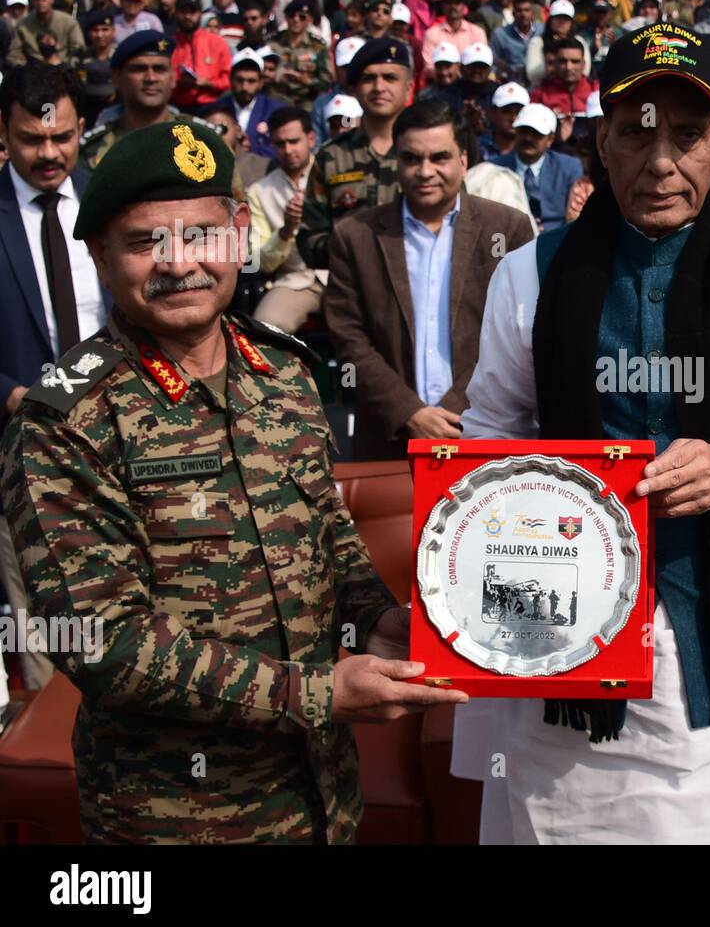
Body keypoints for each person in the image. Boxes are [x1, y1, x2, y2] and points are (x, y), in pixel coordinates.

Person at [452, 21, 710, 845]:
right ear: (600, 140)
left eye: (686, 135)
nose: (660, 162)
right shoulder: (529, 277)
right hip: (566, 671)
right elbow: (486, 445)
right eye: (636, 134)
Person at [0, 120, 467, 843]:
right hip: (176, 819)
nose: (178, 263)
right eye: (144, 241)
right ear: (97, 255)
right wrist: (318, 691)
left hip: (322, 801)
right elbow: (103, 641)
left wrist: (377, 620)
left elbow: (328, 536)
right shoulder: (65, 421)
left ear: (240, 233)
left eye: (201, 235)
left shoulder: (282, 372)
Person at [324, 100, 533, 462]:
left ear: (464, 160)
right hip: (391, 443)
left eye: (439, 157)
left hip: (487, 439)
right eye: (411, 158)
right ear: (396, 161)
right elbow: (348, 337)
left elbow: (517, 333)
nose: (425, 171)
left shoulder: (508, 229)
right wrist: (409, 413)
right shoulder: (353, 235)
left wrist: (456, 411)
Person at [0, 62, 105, 690]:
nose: (49, 153)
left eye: (62, 138)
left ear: (81, 129)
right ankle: (50, 767)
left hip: (115, 446)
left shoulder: (107, 205)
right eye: (32, 139)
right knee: (38, 634)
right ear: (3, 134)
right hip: (18, 456)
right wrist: (9, 392)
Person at [298, 38, 411, 270]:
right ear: (354, 88)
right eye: (369, 79)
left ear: (408, 87)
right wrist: (357, 251)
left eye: (390, 78)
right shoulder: (331, 157)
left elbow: (455, 226)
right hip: (349, 286)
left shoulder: (430, 153)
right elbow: (310, 240)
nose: (379, 87)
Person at [247, 106, 322, 334]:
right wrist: (286, 231)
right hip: (296, 280)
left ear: (311, 138)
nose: (288, 150)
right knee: (265, 328)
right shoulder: (260, 191)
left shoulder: (332, 172)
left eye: (294, 141)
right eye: (280, 144)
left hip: (345, 277)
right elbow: (260, 261)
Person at [79, 29, 201, 169]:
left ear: (173, 78)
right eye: (139, 69)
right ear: (117, 78)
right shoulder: (92, 150)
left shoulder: (202, 139)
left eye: (159, 69)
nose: (151, 78)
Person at [490, 102, 582, 233]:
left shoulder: (568, 167)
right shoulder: (495, 167)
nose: (528, 138)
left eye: (536, 133)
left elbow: (575, 218)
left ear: (550, 139)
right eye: (523, 131)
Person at [209, 49, 284, 160]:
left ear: (261, 82)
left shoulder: (276, 111)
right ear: (230, 79)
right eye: (240, 80)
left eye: (251, 81)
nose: (245, 87)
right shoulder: (215, 110)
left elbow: (282, 151)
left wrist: (252, 148)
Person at [169, 0, 231, 114]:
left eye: (192, 12)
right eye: (183, 12)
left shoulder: (217, 42)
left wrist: (209, 83)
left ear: (200, 14)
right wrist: (178, 82)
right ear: (176, 13)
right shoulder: (169, 44)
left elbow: (228, 79)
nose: (187, 16)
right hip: (178, 107)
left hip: (212, 105)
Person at [267, 0, 332, 109]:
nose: (296, 20)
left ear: (309, 20)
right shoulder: (271, 43)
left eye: (302, 17)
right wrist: (275, 76)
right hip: (276, 97)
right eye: (292, 15)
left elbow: (327, 80)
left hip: (306, 100)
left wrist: (308, 81)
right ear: (286, 18)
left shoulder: (318, 46)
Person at [7, 0, 83, 66]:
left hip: (62, 68)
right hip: (34, 71)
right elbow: (14, 54)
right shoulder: (23, 25)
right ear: (31, 1)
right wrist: (26, 68)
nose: (40, 2)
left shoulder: (68, 22)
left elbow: (78, 48)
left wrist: (68, 64)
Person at [480, 81, 528, 161]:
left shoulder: (532, 150)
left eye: (519, 112)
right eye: (507, 111)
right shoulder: (477, 147)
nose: (513, 118)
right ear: (493, 113)